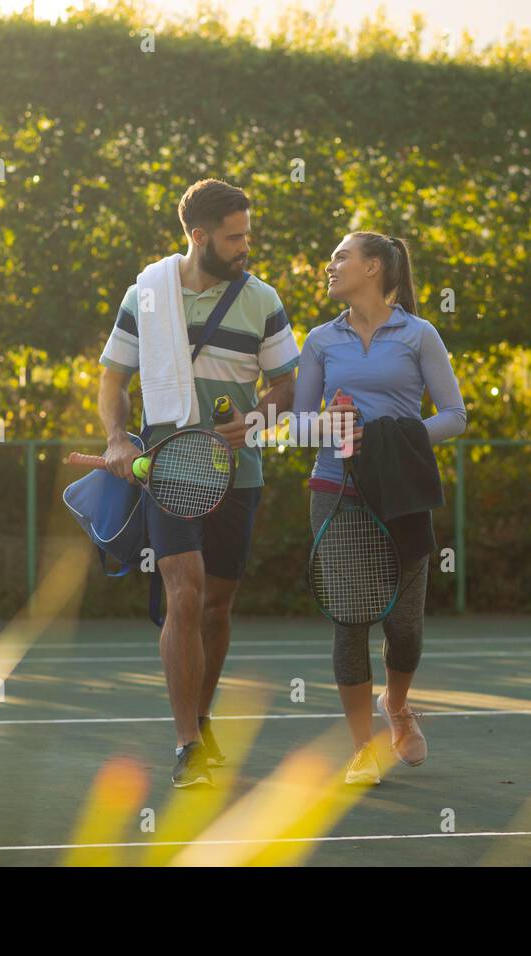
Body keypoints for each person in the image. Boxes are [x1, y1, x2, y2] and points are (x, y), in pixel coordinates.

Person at [96, 179, 299, 787]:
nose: (245, 246)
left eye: (247, 235)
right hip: (166, 469)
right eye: (234, 237)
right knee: (185, 590)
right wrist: (114, 437)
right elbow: (112, 380)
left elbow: (287, 384)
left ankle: (201, 721)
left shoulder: (262, 298)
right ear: (199, 235)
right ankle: (187, 744)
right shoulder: (147, 294)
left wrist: (257, 418)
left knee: (217, 603)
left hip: (239, 475)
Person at [293, 231, 467, 785]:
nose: (330, 263)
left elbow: (455, 416)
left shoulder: (419, 334)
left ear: (373, 267)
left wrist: (393, 438)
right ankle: (362, 746)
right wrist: (332, 423)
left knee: (405, 626)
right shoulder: (320, 340)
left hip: (403, 493)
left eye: (340, 255)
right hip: (334, 491)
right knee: (349, 621)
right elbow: (297, 425)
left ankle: (398, 707)